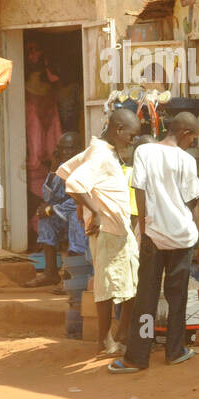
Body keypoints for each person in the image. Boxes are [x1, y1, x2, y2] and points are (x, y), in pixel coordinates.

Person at [110, 112, 199, 372]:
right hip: (183, 237)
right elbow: (193, 203)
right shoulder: (186, 160)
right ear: (185, 133)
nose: (192, 144)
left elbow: (139, 191)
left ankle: (137, 357)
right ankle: (175, 351)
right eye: (193, 139)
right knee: (178, 298)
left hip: (154, 236)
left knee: (146, 297)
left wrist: (143, 229)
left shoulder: (145, 153)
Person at [58, 110, 141, 357]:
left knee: (131, 285)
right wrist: (93, 211)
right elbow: (73, 183)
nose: (132, 141)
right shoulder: (101, 154)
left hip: (117, 230)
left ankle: (122, 335)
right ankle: (105, 342)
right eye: (131, 135)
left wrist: (83, 205)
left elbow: (65, 170)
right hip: (107, 232)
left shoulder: (102, 151)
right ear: (118, 130)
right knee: (107, 287)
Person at [26, 132, 87, 288]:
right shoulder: (61, 167)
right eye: (62, 149)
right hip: (62, 212)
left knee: (75, 218)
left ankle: (73, 277)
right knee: (45, 218)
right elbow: (47, 195)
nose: (66, 153)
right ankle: (50, 272)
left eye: (70, 149)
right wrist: (53, 167)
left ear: (79, 149)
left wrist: (53, 208)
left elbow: (79, 201)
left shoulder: (85, 168)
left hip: (83, 214)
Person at [24, 41, 64, 230]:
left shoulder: (49, 91)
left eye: (39, 54)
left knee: (51, 194)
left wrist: (55, 151)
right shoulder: (21, 91)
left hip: (48, 154)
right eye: (32, 54)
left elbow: (55, 121)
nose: (36, 58)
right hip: (30, 156)